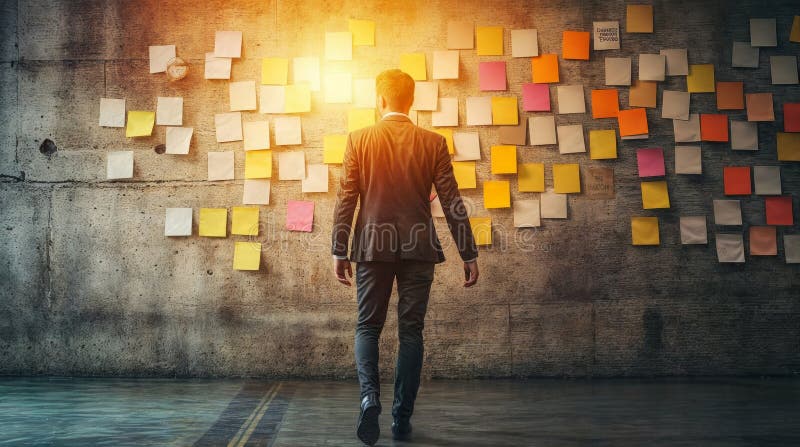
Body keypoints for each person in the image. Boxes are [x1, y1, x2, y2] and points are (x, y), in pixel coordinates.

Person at [331, 69, 479, 446]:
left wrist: (339, 250)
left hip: (370, 248)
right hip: (419, 249)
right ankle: (401, 418)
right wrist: (468, 252)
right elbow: (451, 200)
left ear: (380, 100)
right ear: (410, 102)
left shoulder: (359, 140)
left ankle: (369, 399)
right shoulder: (433, 142)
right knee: (411, 332)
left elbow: (347, 198)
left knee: (367, 327)